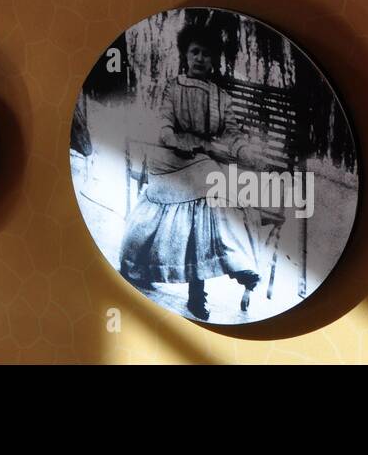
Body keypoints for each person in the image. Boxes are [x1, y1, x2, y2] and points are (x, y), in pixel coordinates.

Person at [119, 24, 288, 321]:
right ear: (186, 54)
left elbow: (233, 135)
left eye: (206, 55)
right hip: (172, 161)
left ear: (213, 61)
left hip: (203, 164)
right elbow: (165, 125)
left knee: (212, 192)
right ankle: (223, 271)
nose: (200, 59)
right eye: (195, 52)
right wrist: (178, 140)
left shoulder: (221, 97)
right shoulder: (174, 87)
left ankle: (207, 287)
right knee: (209, 186)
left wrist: (248, 153)